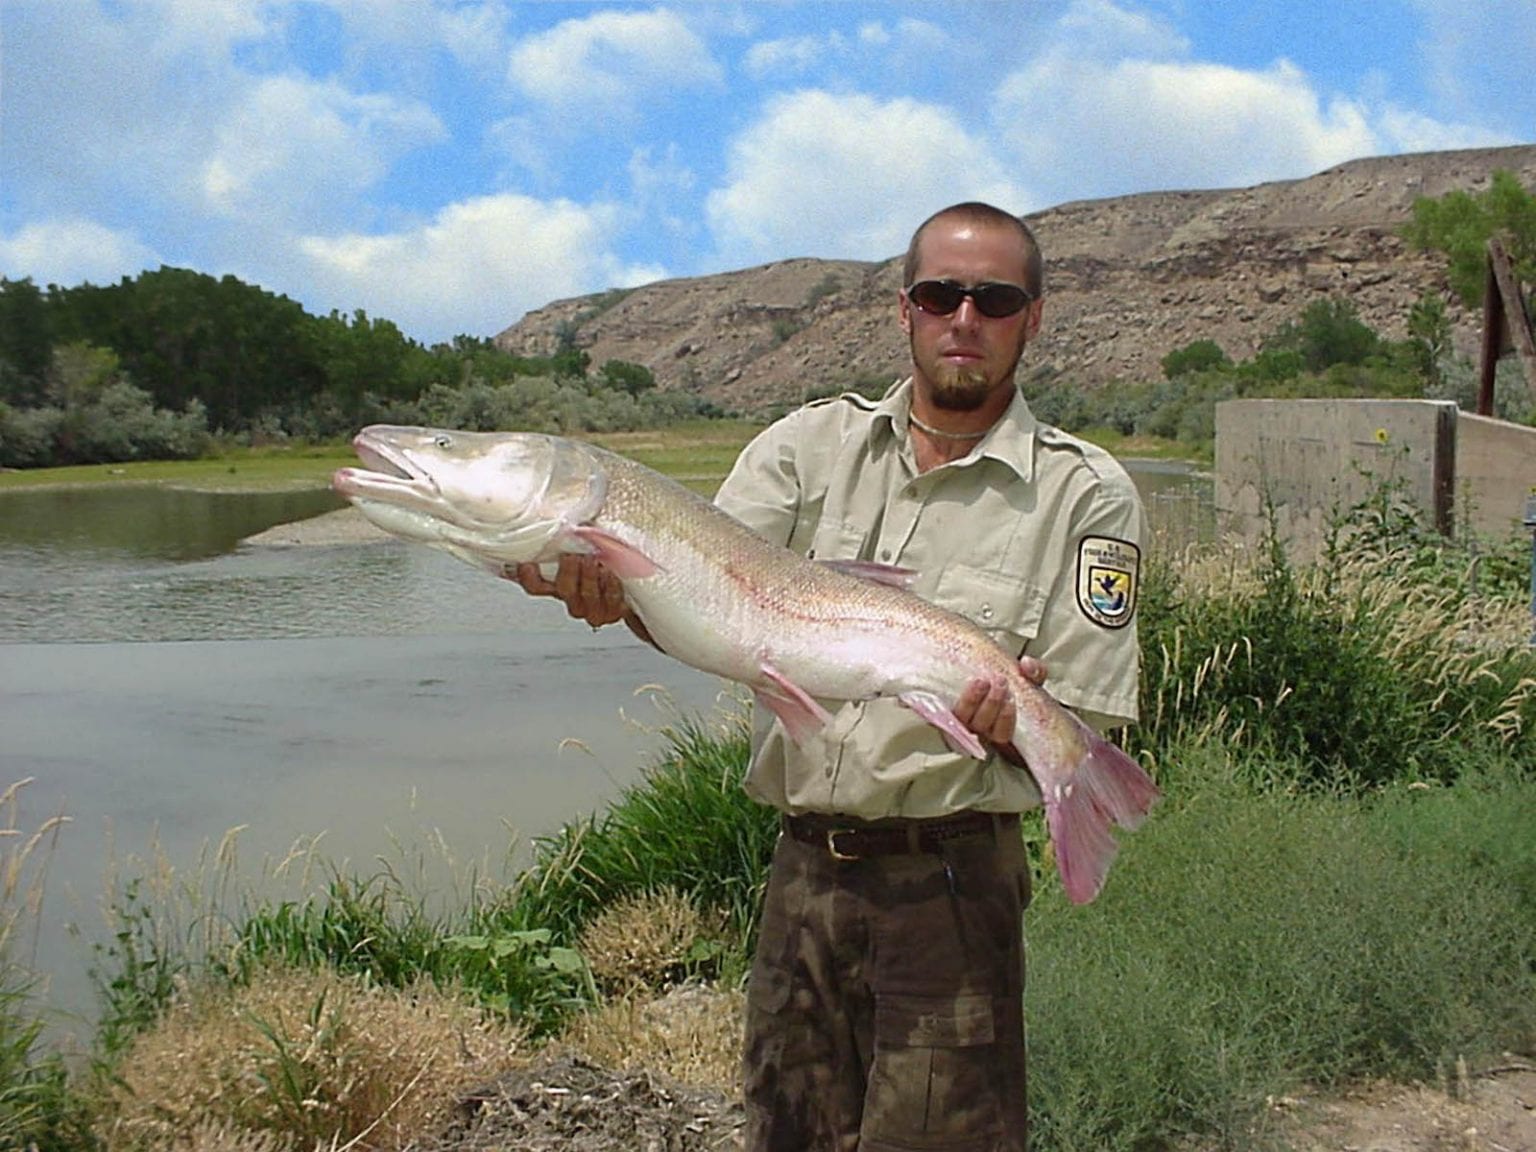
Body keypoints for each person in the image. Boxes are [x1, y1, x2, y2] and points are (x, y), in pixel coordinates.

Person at [513, 201, 1145, 1151]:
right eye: (940, 294)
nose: (963, 319)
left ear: (1034, 318)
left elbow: (1084, 705)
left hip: (953, 888)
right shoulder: (803, 448)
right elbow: (706, 613)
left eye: (994, 299)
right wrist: (621, 598)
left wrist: (1017, 729)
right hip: (802, 876)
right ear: (905, 309)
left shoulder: (1086, 492)